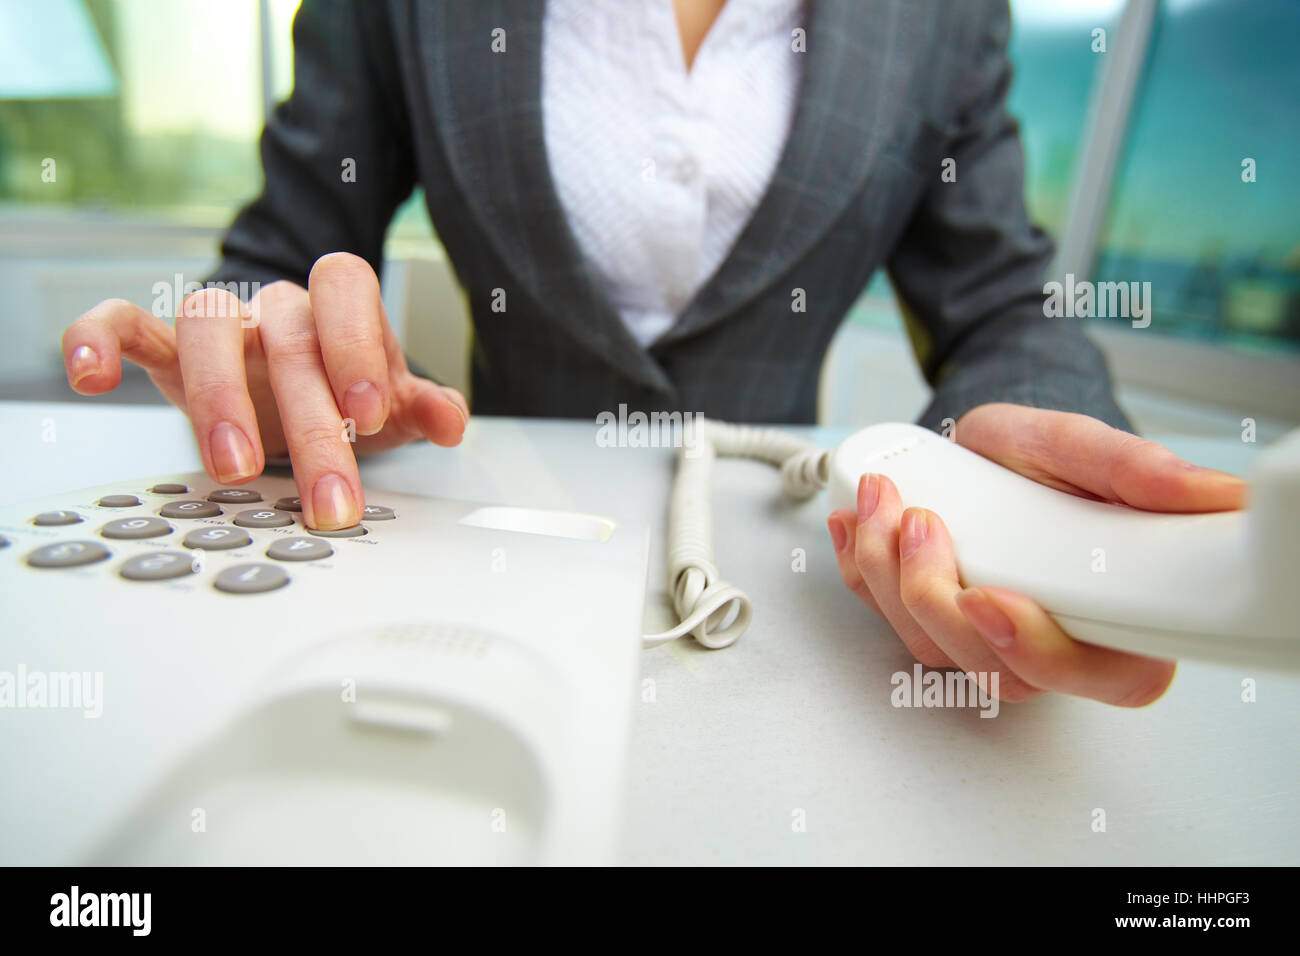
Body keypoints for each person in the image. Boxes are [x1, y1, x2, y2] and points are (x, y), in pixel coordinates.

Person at [60, 0, 1244, 706]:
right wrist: (249, 342)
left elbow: (998, 305)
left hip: (806, 609)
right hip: (471, 573)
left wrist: (1021, 484)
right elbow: (280, 248)